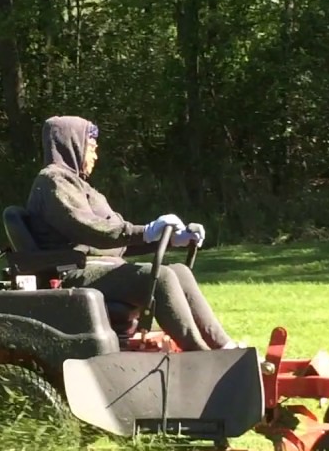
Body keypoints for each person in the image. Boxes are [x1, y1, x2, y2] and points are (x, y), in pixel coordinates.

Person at [25, 115, 242, 352]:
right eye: (92, 149)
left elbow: (116, 242)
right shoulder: (53, 181)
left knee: (178, 271)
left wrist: (169, 239)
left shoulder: (77, 184)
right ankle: (199, 353)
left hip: (95, 265)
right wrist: (146, 231)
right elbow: (92, 231)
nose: (95, 156)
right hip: (71, 272)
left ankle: (224, 347)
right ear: (73, 145)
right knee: (160, 277)